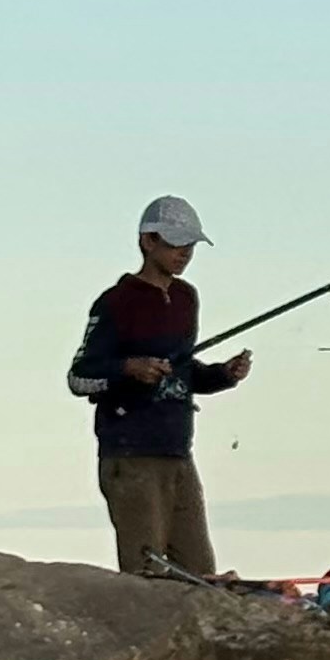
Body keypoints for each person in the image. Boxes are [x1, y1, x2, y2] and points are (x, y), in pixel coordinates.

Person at [68, 196, 251, 578]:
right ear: (147, 241)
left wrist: (223, 375)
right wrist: (128, 369)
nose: (183, 253)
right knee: (148, 574)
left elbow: (182, 371)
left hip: (178, 453)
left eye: (189, 245)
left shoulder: (186, 298)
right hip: (131, 457)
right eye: (173, 243)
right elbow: (79, 377)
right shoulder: (115, 302)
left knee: (199, 575)